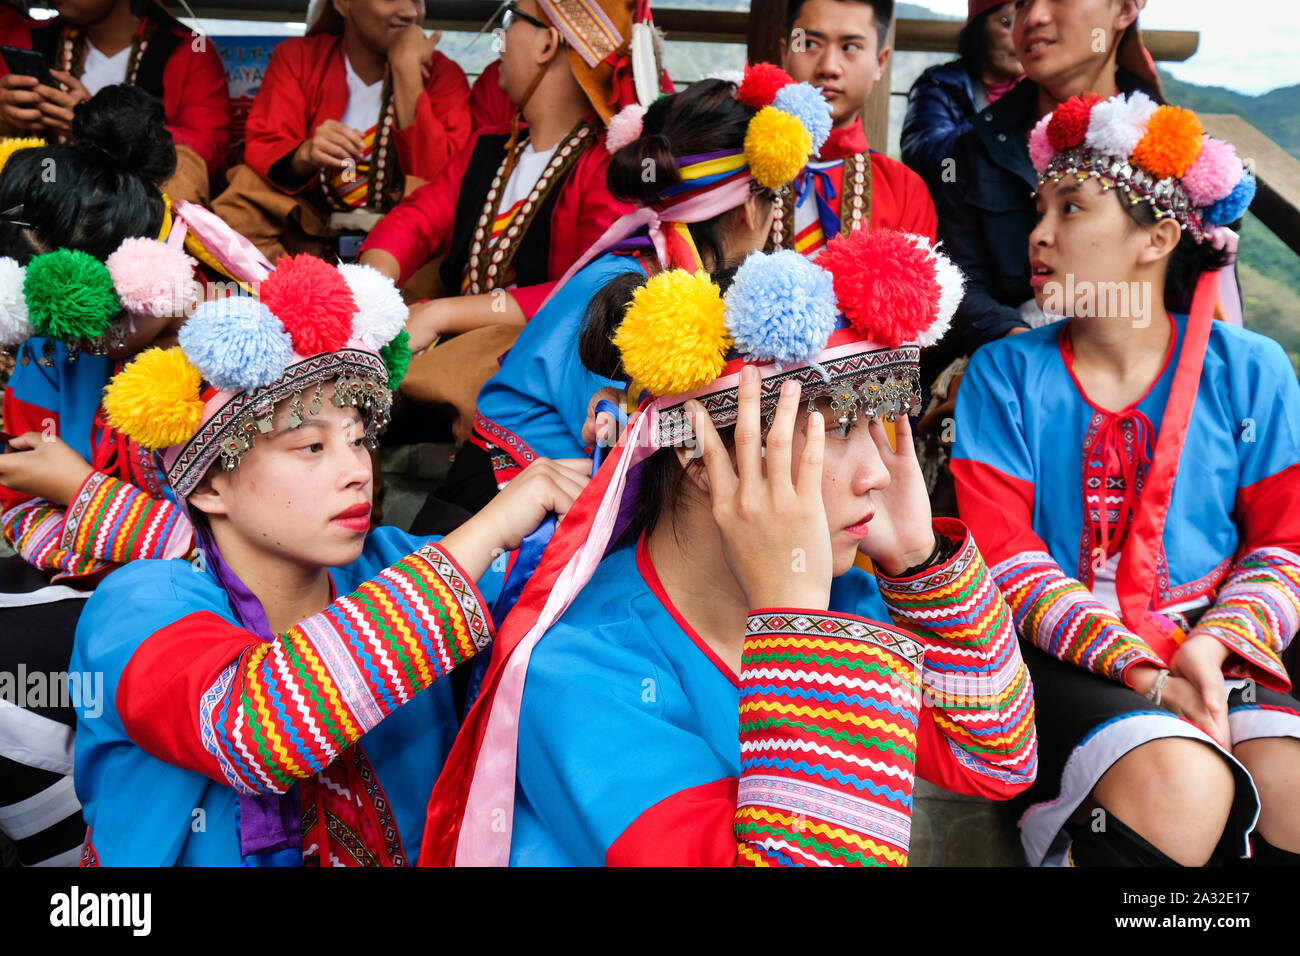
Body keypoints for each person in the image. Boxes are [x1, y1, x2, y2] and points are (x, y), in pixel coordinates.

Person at [418, 229, 1037, 866]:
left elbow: (997, 758)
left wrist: (921, 564)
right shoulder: (580, 677)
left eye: (873, 426)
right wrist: (797, 626)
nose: (877, 473)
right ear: (702, 457)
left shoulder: (847, 595)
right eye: (839, 429)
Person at [70, 254, 589, 865]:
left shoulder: (388, 563)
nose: (357, 471)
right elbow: (252, 727)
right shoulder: (136, 611)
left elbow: (549, 585)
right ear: (208, 488)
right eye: (311, 445)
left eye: (360, 439)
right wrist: (493, 525)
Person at [951, 93, 1300, 866]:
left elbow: (1286, 545)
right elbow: (1004, 560)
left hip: (1213, 643)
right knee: (1180, 786)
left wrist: (1210, 650)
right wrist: (1147, 675)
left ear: (1160, 238)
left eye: (1071, 208)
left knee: (1294, 787)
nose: (1039, 235)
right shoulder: (1004, 375)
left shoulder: (1252, 372)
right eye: (1037, 210)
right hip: (1052, 656)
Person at [446, 70, 825, 524]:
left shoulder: (654, 273)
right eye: (777, 199)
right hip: (493, 521)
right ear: (750, 208)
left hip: (531, 501)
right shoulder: (629, 286)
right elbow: (635, 454)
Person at [0, 86, 209, 866]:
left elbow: (225, 553)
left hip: (194, 605)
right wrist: (68, 517)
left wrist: (77, 493)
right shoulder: (51, 343)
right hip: (82, 576)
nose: (78, 333)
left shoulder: (225, 352)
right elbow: (15, 510)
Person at [356, 0, 666, 445]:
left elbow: (593, 288)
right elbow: (417, 218)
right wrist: (371, 292)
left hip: (520, 362)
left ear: (547, 41)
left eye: (508, 20)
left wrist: (442, 312)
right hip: (445, 349)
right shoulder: (492, 148)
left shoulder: (606, 169)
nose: (498, 41)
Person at [212, 0, 473, 264]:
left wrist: (406, 70)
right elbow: (264, 146)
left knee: (441, 209)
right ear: (344, 4)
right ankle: (287, 287)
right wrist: (307, 153)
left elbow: (440, 182)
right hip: (310, 231)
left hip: (404, 248)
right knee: (245, 188)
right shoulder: (298, 58)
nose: (410, 12)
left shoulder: (444, 75)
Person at [0, 0, 230, 204]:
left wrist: (102, 124)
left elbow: (207, 153)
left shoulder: (189, 50)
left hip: (137, 210)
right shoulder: (24, 37)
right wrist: (5, 120)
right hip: (44, 197)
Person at [771, 0, 936, 256]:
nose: (828, 67)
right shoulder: (737, 169)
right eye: (811, 43)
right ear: (785, 53)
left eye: (850, 47)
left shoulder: (904, 190)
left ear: (880, 63)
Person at [902, 0, 1022, 198]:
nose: (1020, 34)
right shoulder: (938, 85)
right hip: (959, 219)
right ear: (978, 29)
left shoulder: (1044, 88)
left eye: (1025, 22)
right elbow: (925, 161)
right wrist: (999, 120)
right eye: (1007, 22)